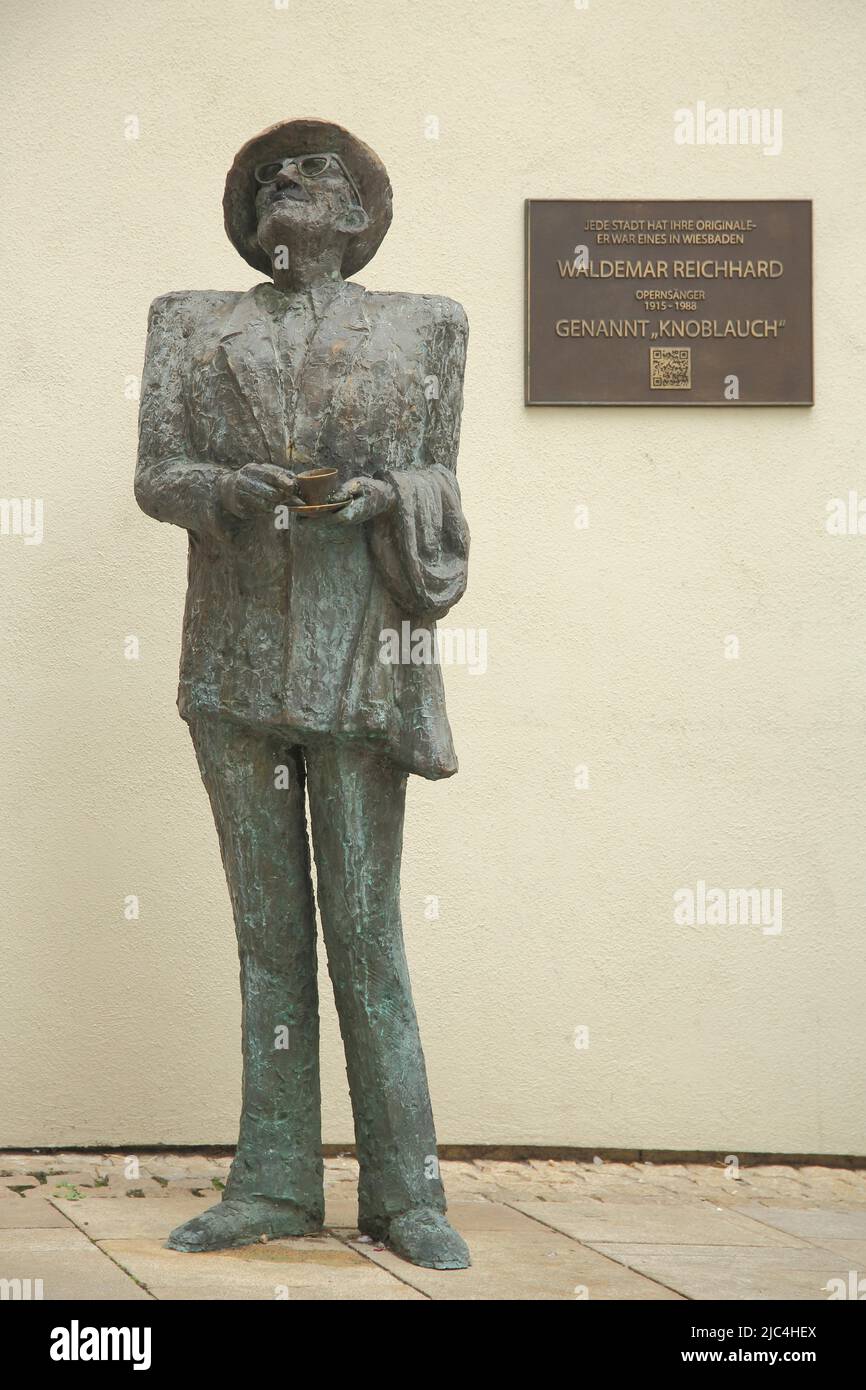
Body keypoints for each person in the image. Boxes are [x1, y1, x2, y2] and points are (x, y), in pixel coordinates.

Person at [135, 119, 471, 1269]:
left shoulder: (425, 327)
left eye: (314, 174)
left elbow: (440, 476)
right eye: (270, 177)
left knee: (366, 926)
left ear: (357, 219)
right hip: (231, 654)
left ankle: (405, 1187)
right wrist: (227, 488)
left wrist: (388, 497)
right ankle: (273, 1178)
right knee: (266, 931)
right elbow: (156, 473)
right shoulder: (188, 323)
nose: (288, 181)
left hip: (359, 653)